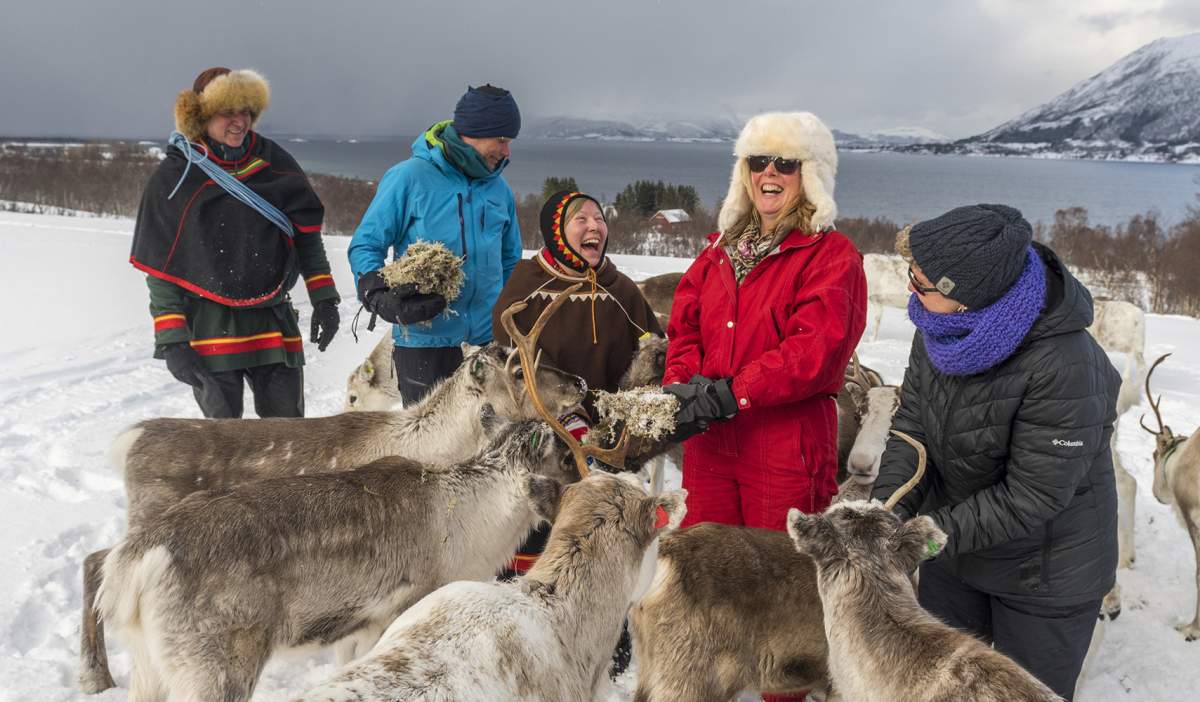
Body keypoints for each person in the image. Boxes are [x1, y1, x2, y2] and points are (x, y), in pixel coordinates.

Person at [871, 204, 1120, 700]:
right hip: (956, 552)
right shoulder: (938, 328)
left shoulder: (1065, 363)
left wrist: (923, 540)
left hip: (1045, 575)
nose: (910, 290)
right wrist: (887, 510)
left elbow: (1033, 494)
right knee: (937, 686)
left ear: (969, 295)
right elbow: (913, 428)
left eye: (921, 283)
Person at [663, 111, 867, 530]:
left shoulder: (832, 256)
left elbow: (814, 349)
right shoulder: (717, 253)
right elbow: (685, 329)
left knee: (779, 565)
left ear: (809, 176)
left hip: (785, 446)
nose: (769, 172)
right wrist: (682, 390)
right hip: (709, 439)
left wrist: (733, 393)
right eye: (758, 161)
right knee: (703, 561)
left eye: (785, 163)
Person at [491, 190, 663, 676]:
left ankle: (607, 635)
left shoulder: (620, 289)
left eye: (599, 218)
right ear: (556, 231)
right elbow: (511, 360)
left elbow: (651, 351)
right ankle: (520, 631)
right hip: (541, 436)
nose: (594, 227)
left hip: (606, 441)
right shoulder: (528, 284)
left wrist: (637, 410)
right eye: (580, 219)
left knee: (601, 535)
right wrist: (561, 416)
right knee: (537, 528)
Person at [130, 67, 340, 419]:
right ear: (201, 117)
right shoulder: (178, 175)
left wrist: (325, 299)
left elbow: (306, 238)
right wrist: (172, 339)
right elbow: (162, 265)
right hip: (210, 325)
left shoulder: (274, 162)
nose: (239, 122)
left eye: (245, 112)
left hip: (272, 321)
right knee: (225, 441)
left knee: (287, 436)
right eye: (227, 112)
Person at [348, 84, 523, 405]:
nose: (506, 151)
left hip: (487, 344)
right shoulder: (409, 177)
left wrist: (511, 319)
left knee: (493, 434)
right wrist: (376, 292)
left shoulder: (499, 190)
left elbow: (510, 260)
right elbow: (366, 244)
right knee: (430, 440)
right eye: (501, 140)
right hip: (425, 344)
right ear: (474, 132)